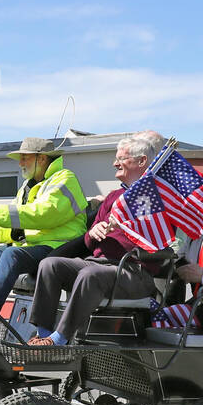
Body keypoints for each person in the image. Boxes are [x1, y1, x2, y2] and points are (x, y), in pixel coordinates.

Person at [27, 132, 168, 346]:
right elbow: (89, 243)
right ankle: (43, 335)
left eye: (121, 159)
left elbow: (159, 241)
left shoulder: (157, 199)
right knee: (49, 264)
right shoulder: (112, 198)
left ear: (142, 161)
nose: (114, 163)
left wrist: (126, 225)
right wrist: (92, 234)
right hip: (99, 265)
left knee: (89, 273)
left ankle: (60, 338)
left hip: (133, 272)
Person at [0, 137, 88, 329]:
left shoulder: (65, 179)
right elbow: (13, 226)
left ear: (43, 159)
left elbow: (43, 215)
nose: (20, 163)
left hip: (59, 248)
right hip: (32, 248)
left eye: (25, 158)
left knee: (11, 254)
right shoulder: (26, 187)